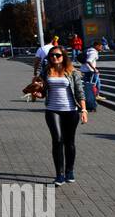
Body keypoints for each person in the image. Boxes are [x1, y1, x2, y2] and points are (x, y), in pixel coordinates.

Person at [40, 46, 87, 185]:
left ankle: (69, 171)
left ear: (64, 56)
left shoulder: (72, 72)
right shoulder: (46, 71)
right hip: (52, 110)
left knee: (69, 141)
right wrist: (38, 94)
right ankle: (59, 174)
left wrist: (83, 110)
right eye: (52, 55)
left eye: (58, 55)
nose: (54, 58)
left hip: (71, 110)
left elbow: (80, 92)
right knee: (57, 140)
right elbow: (43, 91)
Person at [80, 39, 103, 110]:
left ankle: (90, 98)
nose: (101, 48)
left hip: (85, 70)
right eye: (100, 46)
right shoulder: (93, 52)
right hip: (90, 71)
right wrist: (94, 69)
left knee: (87, 86)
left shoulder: (88, 50)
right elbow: (89, 61)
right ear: (96, 46)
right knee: (97, 84)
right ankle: (96, 95)